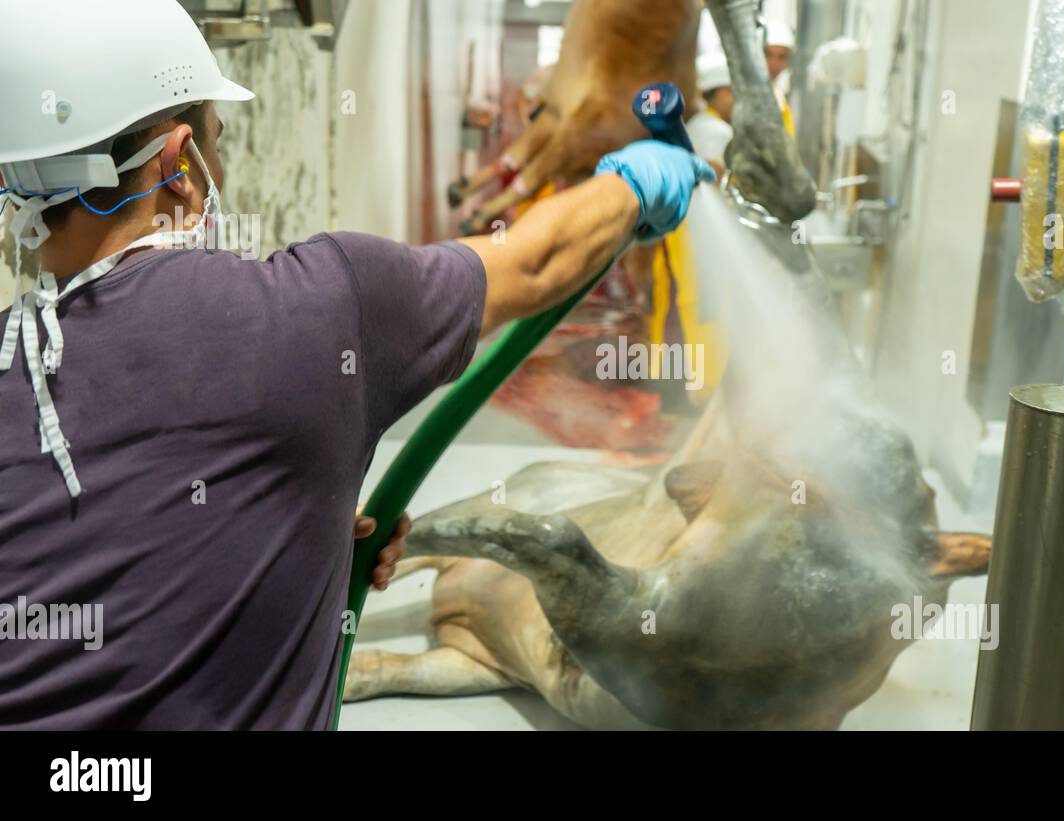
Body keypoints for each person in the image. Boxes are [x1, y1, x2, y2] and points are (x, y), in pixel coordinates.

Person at [0, 0, 712, 729]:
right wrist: (642, 177)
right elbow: (538, 262)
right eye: (218, 141)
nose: (220, 164)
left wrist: (285, 530)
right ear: (177, 166)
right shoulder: (320, 308)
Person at [687, 51, 736, 179]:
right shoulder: (717, 131)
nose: (736, 98)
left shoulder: (698, 122)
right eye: (730, 91)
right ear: (711, 92)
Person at [764, 20, 798, 138]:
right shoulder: (745, 93)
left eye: (782, 57)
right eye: (768, 55)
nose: (774, 63)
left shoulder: (777, 93)